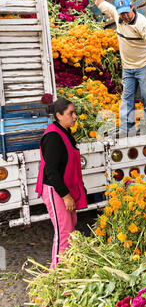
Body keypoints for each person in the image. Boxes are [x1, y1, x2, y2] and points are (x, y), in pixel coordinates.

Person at [95, 0, 146, 136]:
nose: (124, 16)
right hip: (128, 67)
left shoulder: (141, 23)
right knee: (127, 98)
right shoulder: (116, 15)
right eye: (121, 13)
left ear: (132, 7)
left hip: (144, 65)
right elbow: (99, 2)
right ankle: (127, 129)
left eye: (127, 12)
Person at [36, 98, 87, 268]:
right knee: (63, 233)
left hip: (65, 188)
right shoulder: (53, 137)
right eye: (70, 113)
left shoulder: (64, 131)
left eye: (74, 112)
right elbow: (51, 172)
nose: (74, 117)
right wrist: (66, 195)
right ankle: (56, 277)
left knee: (71, 230)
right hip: (55, 190)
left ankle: (68, 270)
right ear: (58, 115)